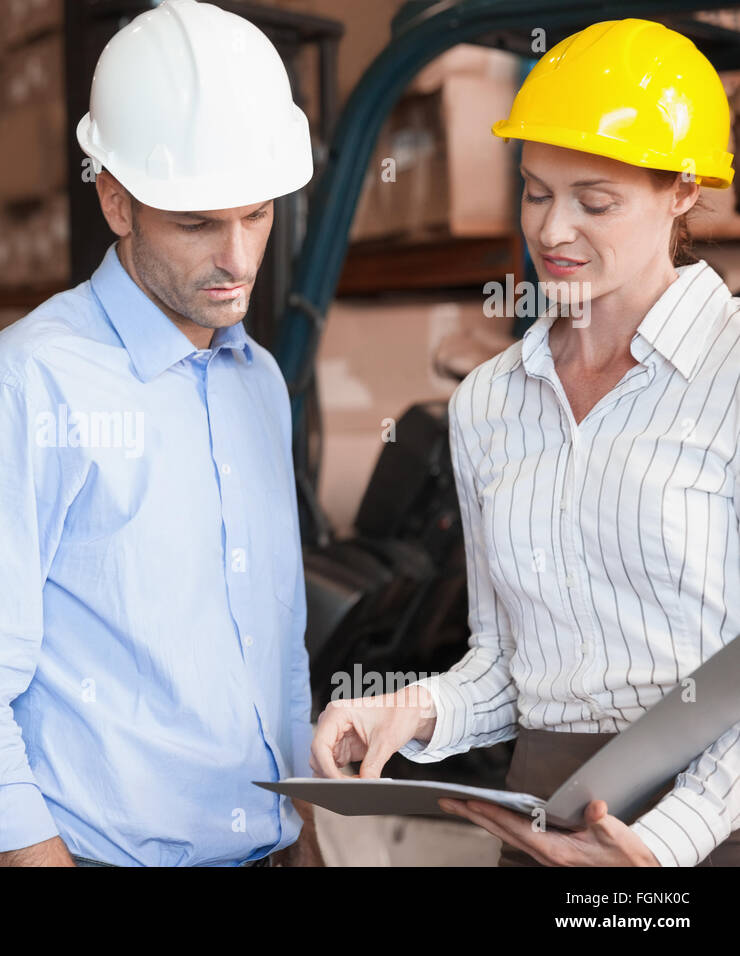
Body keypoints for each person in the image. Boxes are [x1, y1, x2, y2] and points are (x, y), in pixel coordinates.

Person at [0, 0, 323, 867]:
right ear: (116, 202)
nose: (238, 257)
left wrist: (302, 831)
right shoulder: (20, 388)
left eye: (258, 214)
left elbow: (272, 641)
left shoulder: (259, 382)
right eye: (198, 223)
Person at [312, 18, 740, 866]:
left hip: (712, 827)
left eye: (596, 200)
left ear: (682, 192)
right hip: (545, 826)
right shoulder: (488, 404)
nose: (551, 232)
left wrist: (657, 848)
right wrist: (412, 710)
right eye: (537, 192)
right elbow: (505, 666)